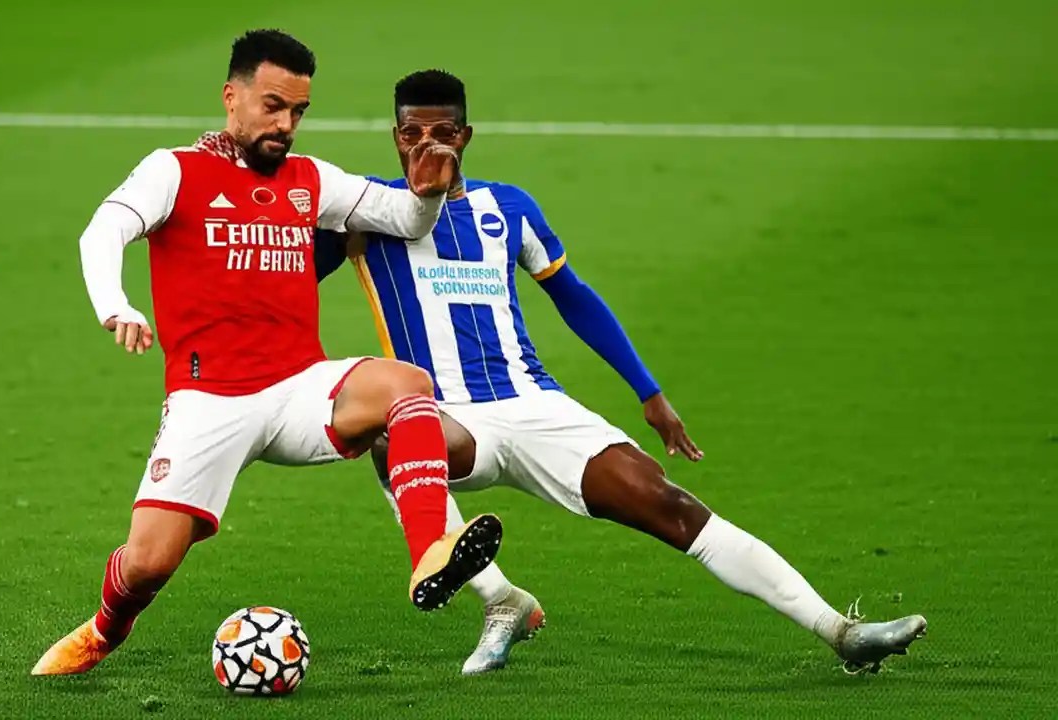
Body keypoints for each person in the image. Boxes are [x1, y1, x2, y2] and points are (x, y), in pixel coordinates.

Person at [315, 69, 927, 676]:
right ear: (395, 137)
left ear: (466, 135)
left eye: (442, 131)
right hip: (447, 417)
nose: (428, 145)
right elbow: (286, 281)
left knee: (670, 506)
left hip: (536, 405)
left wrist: (649, 392)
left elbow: (575, 298)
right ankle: (500, 599)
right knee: (394, 435)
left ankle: (840, 631)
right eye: (412, 133)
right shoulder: (366, 213)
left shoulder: (509, 208)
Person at [31, 34, 505, 677]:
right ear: (233, 97)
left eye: (298, 112)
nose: (285, 125)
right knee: (148, 563)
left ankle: (431, 550)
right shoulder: (175, 170)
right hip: (208, 401)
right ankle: (104, 630)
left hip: (301, 388)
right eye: (273, 106)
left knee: (405, 383)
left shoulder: (311, 179)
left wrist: (426, 189)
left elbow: (404, 218)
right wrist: (116, 305)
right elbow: (103, 229)